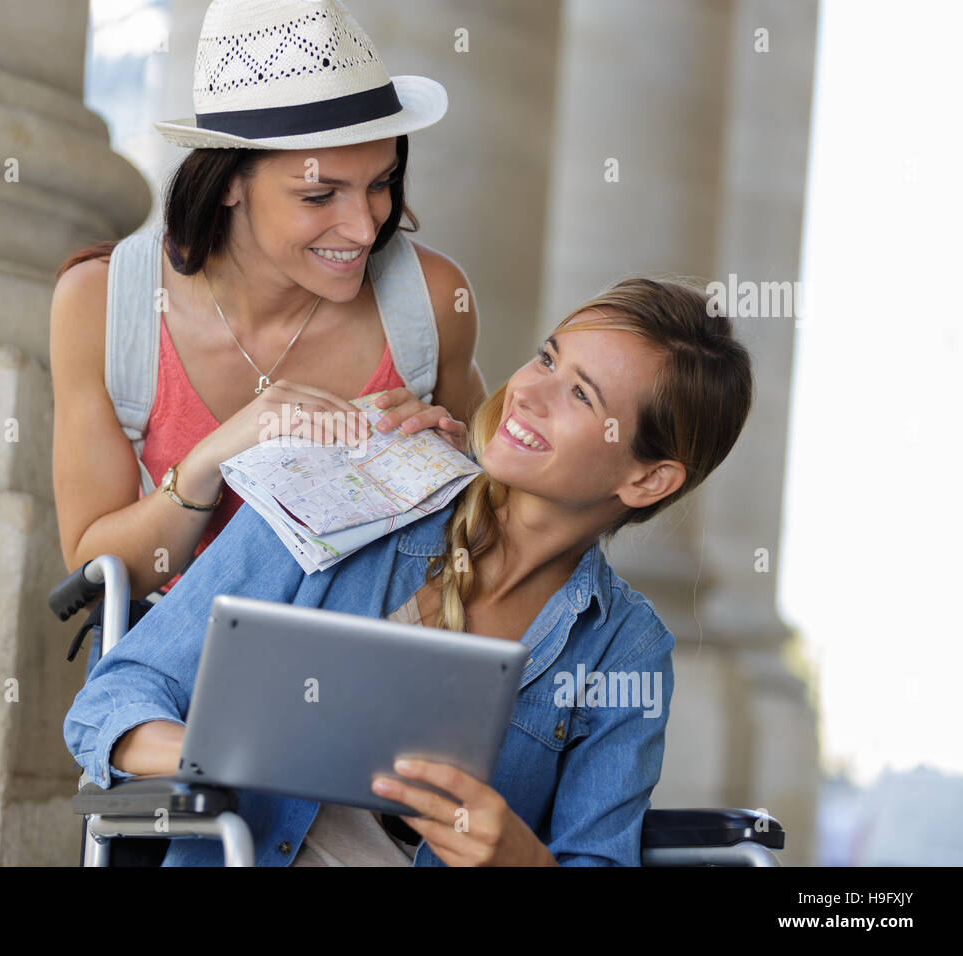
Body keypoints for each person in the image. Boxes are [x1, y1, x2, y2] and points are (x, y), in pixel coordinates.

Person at [63, 275, 755, 866]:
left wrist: (520, 857)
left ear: (648, 478)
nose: (528, 394)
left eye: (582, 396)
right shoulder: (347, 485)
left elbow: (595, 854)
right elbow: (112, 699)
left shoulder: (624, 649)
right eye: (547, 359)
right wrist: (228, 751)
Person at [49, 0, 487, 615]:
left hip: (366, 657)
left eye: (381, 182)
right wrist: (211, 459)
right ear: (228, 181)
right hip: (176, 659)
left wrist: (454, 468)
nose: (365, 228)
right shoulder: (101, 303)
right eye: (319, 194)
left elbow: (493, 535)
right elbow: (97, 568)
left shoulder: (434, 300)